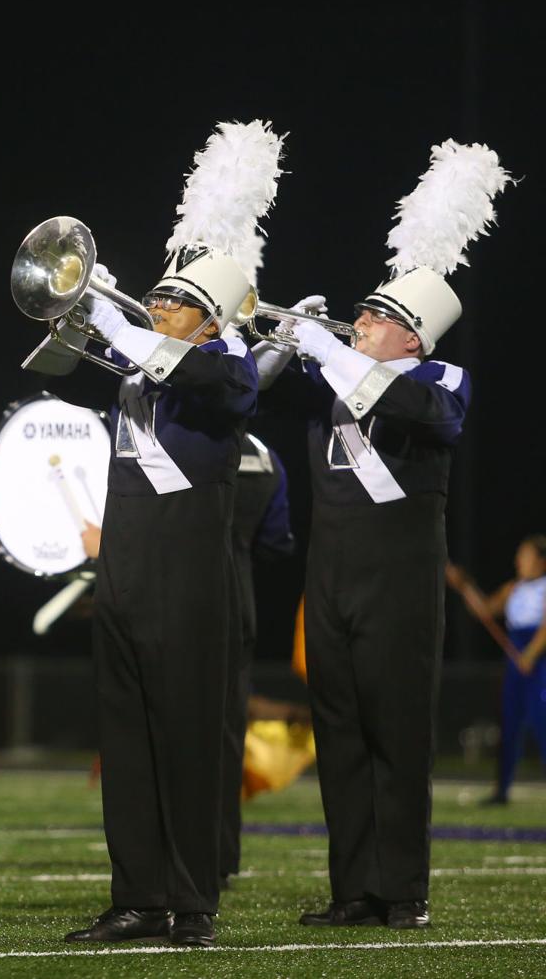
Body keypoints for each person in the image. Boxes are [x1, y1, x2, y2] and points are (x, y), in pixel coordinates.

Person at [257, 140, 508, 931]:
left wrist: (332, 351)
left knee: (398, 732)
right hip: (329, 576)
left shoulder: (439, 379)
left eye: (376, 317)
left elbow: (429, 416)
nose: (359, 322)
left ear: (412, 337)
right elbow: (244, 395)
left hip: (400, 579)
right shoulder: (331, 378)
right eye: (361, 314)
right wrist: (278, 342)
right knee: (339, 733)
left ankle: (403, 889)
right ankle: (353, 889)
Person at [54, 250, 259, 949]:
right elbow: (56, 369)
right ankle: (138, 898)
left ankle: (193, 902)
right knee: (126, 740)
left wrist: (118, 325)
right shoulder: (144, 366)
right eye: (156, 298)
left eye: (175, 302)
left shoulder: (229, 362)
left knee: (189, 738)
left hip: (188, 574)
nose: (158, 308)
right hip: (124, 568)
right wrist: (80, 313)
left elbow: (214, 383)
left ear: (210, 322)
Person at [219, 432, 294, 886]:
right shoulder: (266, 456)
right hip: (239, 598)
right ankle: (220, 858)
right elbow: (278, 542)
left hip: (177, 597)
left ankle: (171, 859)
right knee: (227, 733)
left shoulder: (176, 436)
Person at [447, 537, 546, 804]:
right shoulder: (514, 588)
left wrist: (531, 654)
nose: (518, 561)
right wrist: (465, 586)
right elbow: (485, 610)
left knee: (542, 724)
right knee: (510, 724)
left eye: (524, 555)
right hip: (516, 663)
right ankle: (502, 790)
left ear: (541, 561)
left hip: (538, 665)